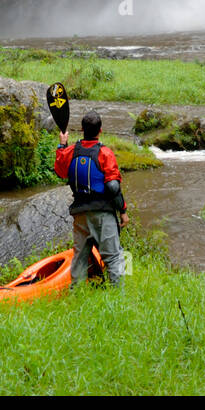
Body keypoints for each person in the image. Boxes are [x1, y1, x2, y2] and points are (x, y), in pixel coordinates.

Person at [54, 109, 129, 288]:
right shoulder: (105, 153)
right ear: (100, 130)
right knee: (113, 257)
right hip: (102, 214)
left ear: (82, 129)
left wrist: (62, 145)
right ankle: (118, 297)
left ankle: (76, 295)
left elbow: (60, 171)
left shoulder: (71, 151)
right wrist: (123, 211)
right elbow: (112, 187)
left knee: (79, 259)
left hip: (80, 215)